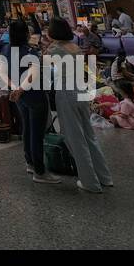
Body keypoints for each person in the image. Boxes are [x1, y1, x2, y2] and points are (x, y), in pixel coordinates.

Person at [46, 18, 113, 193]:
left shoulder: (55, 49)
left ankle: (90, 182)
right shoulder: (75, 47)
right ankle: (105, 177)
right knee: (89, 135)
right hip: (81, 91)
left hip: (67, 93)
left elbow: (45, 66)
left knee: (74, 138)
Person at [6, 20, 57, 185]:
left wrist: (15, 90)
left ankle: (29, 162)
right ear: (25, 34)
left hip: (19, 96)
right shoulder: (29, 51)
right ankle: (40, 171)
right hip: (33, 93)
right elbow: (33, 74)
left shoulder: (6, 49)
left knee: (27, 128)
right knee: (37, 132)